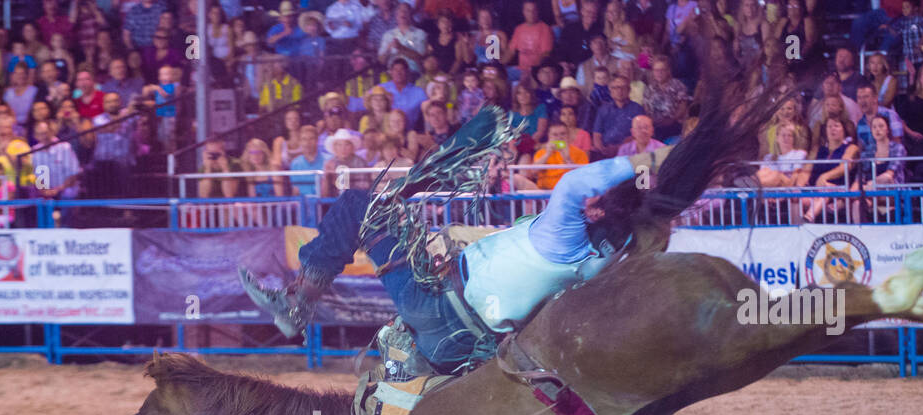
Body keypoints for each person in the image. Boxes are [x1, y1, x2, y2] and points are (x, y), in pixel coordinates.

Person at [239, 108, 673, 371]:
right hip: (471, 343)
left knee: (357, 205)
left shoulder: (564, 228)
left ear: (597, 208)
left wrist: (658, 156)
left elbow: (580, 181)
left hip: (437, 307)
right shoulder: (610, 254)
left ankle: (299, 303)